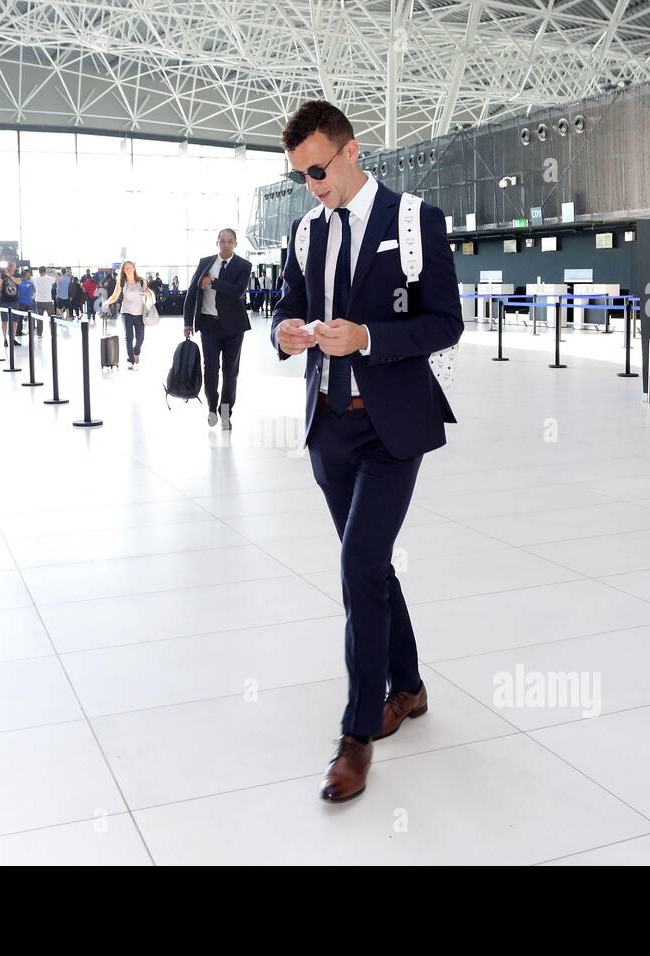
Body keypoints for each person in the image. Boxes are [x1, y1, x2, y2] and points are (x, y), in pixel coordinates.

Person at [271, 100, 462, 804]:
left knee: (357, 565)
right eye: (301, 176)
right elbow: (285, 304)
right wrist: (287, 331)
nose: (312, 185)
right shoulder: (304, 230)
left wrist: (372, 339)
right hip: (328, 424)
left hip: (391, 427)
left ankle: (356, 735)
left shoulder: (413, 221)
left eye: (318, 169)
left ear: (352, 151)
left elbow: (446, 322)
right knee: (372, 564)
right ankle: (408, 687)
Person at [184, 228, 252, 429]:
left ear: (236, 244)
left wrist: (213, 282)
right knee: (211, 368)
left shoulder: (243, 265)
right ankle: (211, 408)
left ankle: (225, 413)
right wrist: (188, 322)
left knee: (230, 372)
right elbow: (192, 292)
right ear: (217, 243)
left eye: (230, 241)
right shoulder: (206, 262)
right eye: (222, 241)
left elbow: (238, 292)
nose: (226, 244)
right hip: (208, 324)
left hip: (234, 327)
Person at [102, 261, 149, 368]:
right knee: (129, 337)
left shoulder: (141, 281)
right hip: (126, 312)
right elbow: (115, 296)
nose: (128, 269)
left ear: (134, 268)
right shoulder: (121, 282)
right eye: (125, 268)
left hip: (139, 313)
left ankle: (136, 351)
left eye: (130, 267)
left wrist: (147, 293)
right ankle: (130, 360)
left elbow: (146, 293)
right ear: (123, 270)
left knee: (140, 337)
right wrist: (107, 302)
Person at [0, 261, 22, 346]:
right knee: (4, 321)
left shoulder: (17, 275)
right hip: (4, 301)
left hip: (14, 301)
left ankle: (13, 338)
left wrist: (10, 276)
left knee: (14, 321)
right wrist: (0, 274)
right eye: (11, 266)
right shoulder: (2, 275)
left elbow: (19, 282)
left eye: (14, 266)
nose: (13, 267)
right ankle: (5, 339)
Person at [32, 266, 56, 337]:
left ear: (39, 271)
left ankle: (39, 334)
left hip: (38, 301)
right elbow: (58, 279)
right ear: (45, 271)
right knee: (51, 317)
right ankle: (53, 332)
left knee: (39, 318)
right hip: (48, 301)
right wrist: (53, 272)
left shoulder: (35, 279)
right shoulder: (49, 279)